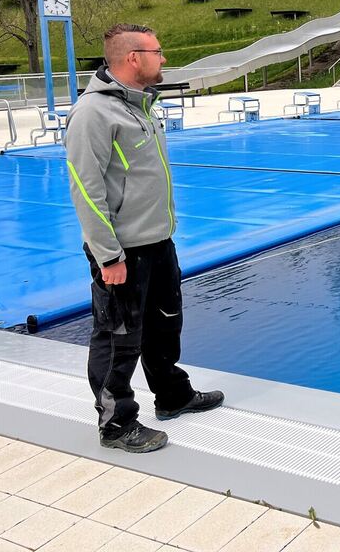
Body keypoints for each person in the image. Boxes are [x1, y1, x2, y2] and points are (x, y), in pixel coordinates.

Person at [64, 24, 223, 453]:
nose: (163, 58)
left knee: (164, 326)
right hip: (121, 252)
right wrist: (108, 254)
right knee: (118, 339)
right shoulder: (94, 113)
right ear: (133, 57)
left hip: (157, 242)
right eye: (157, 51)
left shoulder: (142, 106)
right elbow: (86, 189)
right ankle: (116, 425)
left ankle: (172, 395)